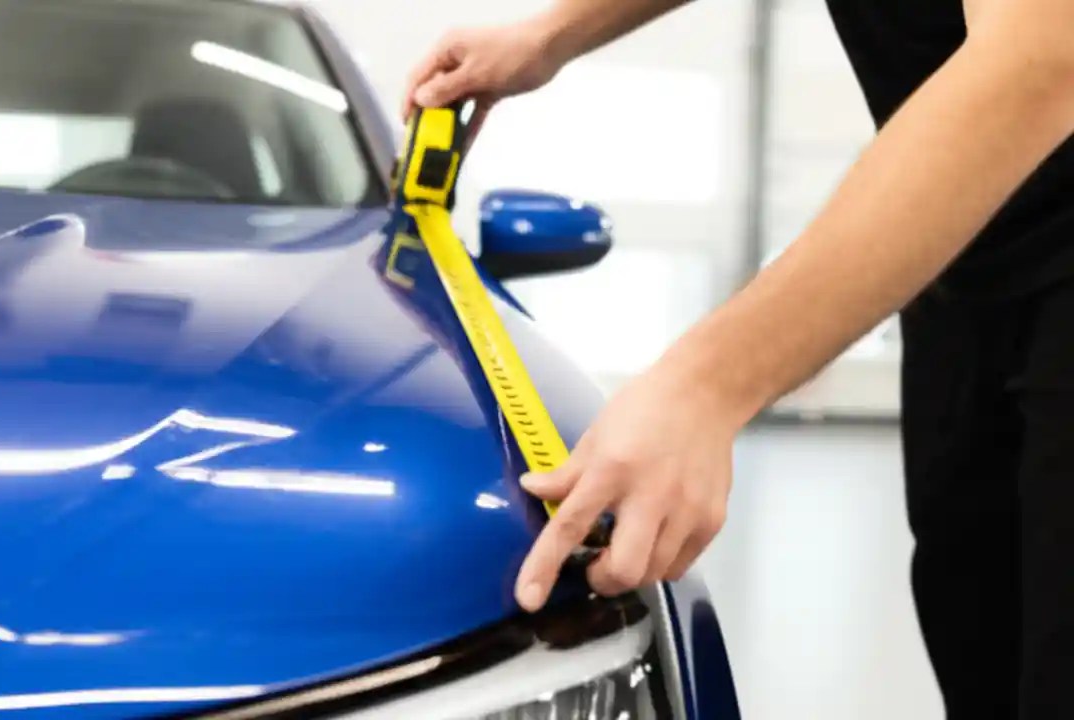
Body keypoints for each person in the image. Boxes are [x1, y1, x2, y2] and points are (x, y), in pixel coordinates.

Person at [404, 1, 1074, 718]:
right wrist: (547, 35)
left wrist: (705, 387)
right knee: (984, 648)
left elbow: (1045, 56)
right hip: (961, 262)